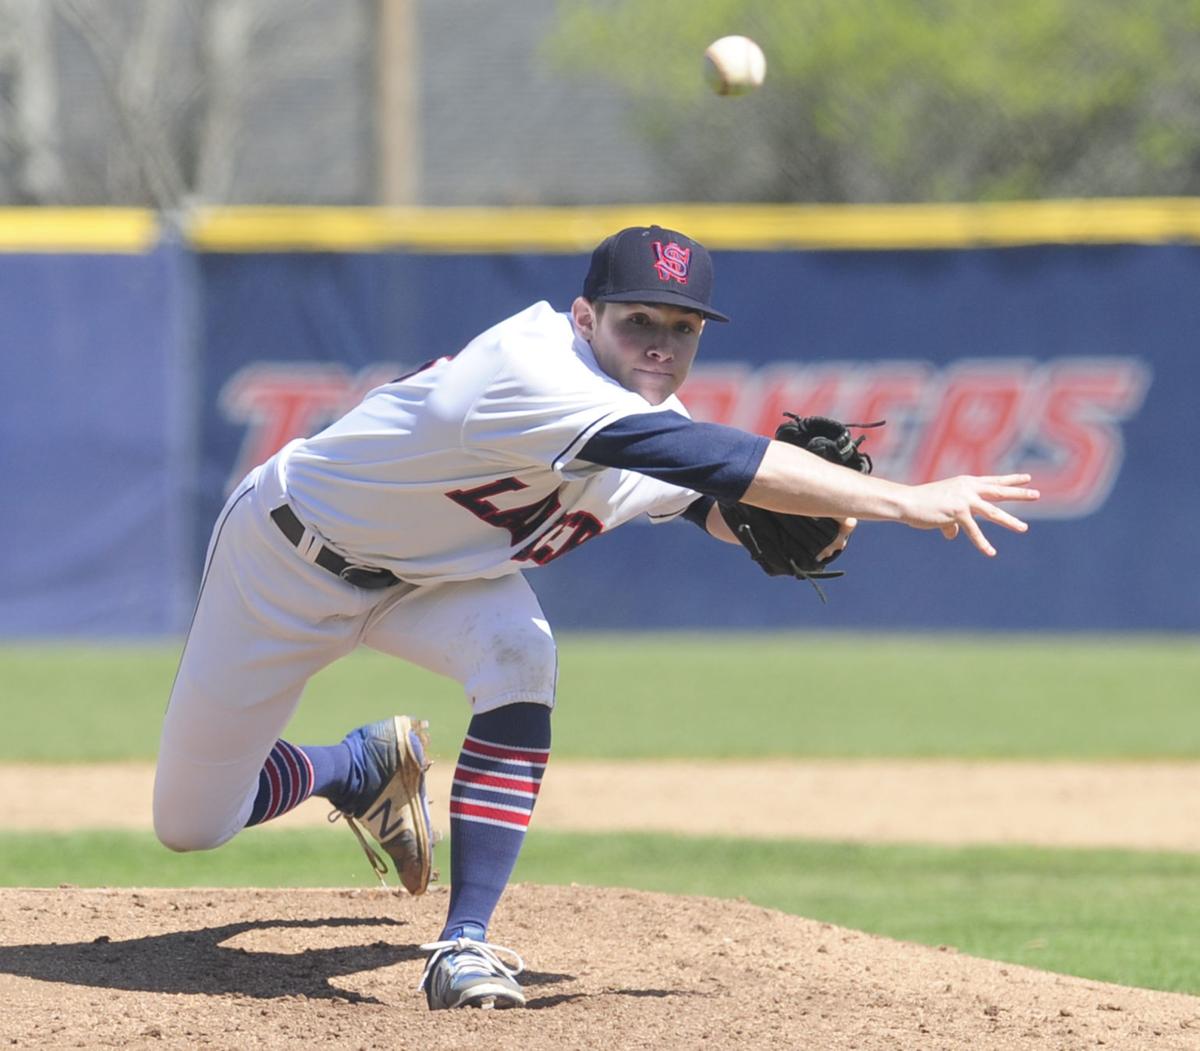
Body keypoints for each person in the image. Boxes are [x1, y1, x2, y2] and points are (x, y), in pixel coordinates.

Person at [153, 225, 1039, 1010]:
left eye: (682, 327)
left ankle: (465, 943)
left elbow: (706, 499)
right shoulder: (529, 370)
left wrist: (776, 526)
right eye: (637, 319)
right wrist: (905, 499)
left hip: (438, 582)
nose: (660, 343)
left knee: (521, 654)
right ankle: (354, 765)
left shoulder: (644, 415)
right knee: (192, 824)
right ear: (585, 317)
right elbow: (707, 458)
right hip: (288, 561)